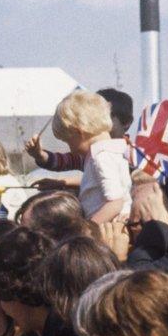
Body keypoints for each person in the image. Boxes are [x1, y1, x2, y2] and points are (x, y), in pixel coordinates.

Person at [52, 89, 131, 257]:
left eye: (68, 141)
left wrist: (86, 229)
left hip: (106, 233)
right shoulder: (110, 152)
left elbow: (115, 202)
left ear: (79, 132)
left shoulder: (101, 157)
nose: (69, 148)